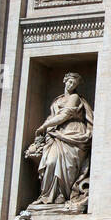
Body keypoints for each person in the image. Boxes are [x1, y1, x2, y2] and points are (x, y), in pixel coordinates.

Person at [25, 72, 93, 209]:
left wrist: (45, 126)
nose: (71, 85)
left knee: (66, 167)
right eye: (69, 82)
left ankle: (62, 196)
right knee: (50, 162)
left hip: (72, 133)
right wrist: (45, 128)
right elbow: (52, 116)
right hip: (56, 134)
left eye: (74, 83)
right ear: (64, 81)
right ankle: (47, 196)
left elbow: (64, 115)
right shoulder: (57, 100)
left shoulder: (75, 98)